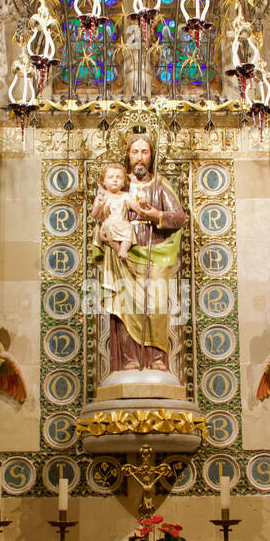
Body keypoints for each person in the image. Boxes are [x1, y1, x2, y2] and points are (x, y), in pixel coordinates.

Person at [91, 135, 186, 374]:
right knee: (126, 306)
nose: (140, 157)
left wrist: (155, 215)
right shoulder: (120, 186)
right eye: (135, 152)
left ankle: (156, 359)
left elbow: (179, 217)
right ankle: (128, 359)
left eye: (144, 152)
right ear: (128, 156)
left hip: (155, 252)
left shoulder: (159, 186)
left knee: (155, 305)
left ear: (151, 155)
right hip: (125, 253)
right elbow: (102, 215)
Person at [91, 164, 139, 261]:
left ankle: (123, 250)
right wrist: (99, 205)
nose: (115, 180)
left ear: (123, 183)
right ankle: (119, 252)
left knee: (129, 229)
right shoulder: (102, 197)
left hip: (123, 224)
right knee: (109, 227)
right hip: (109, 226)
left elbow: (138, 208)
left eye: (119, 177)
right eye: (110, 177)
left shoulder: (125, 196)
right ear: (103, 182)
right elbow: (95, 215)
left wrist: (142, 202)